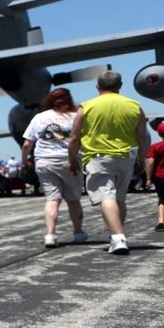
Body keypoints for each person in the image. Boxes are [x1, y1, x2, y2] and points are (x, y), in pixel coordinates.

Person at [68, 69, 149, 254]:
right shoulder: (135, 106)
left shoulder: (86, 106)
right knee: (119, 198)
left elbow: (74, 137)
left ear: (97, 86)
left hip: (98, 158)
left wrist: (71, 159)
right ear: (120, 86)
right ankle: (118, 233)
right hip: (126, 157)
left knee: (106, 197)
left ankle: (118, 238)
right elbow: (142, 136)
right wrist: (143, 158)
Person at [22, 87, 88, 248]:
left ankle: (50, 235)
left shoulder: (39, 117)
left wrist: (24, 161)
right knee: (73, 199)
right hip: (70, 161)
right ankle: (78, 232)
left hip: (44, 161)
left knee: (52, 199)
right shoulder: (77, 116)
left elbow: (27, 144)